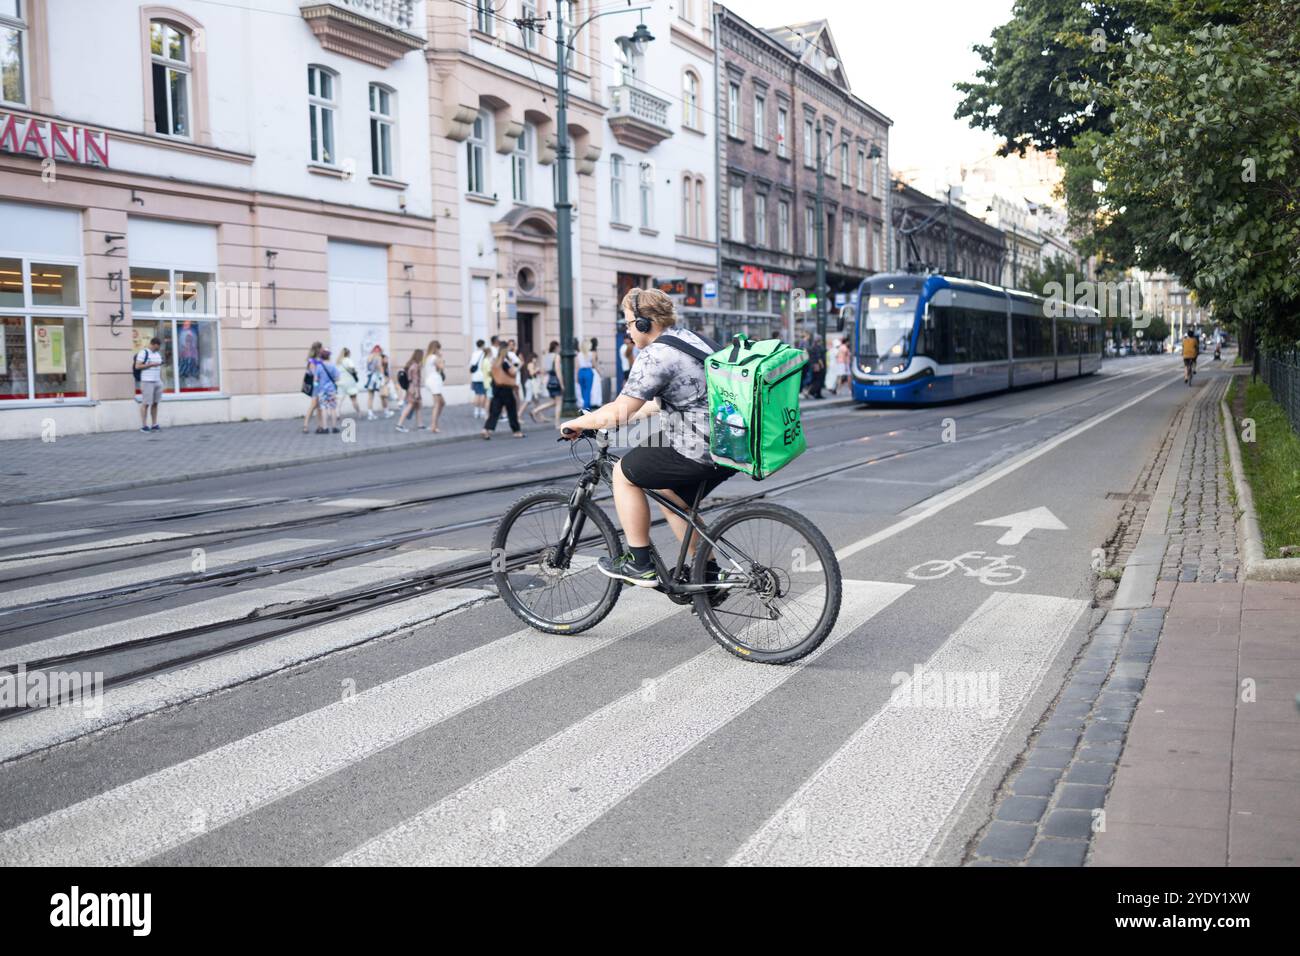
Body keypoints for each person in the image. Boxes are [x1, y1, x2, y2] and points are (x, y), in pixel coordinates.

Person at [560, 288, 735, 588]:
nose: (627, 331)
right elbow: (652, 403)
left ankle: (640, 564)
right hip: (730, 443)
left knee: (623, 474)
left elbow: (620, 411)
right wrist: (601, 417)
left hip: (699, 446)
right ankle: (708, 577)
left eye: (628, 323)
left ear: (644, 323)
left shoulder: (656, 354)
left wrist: (578, 422)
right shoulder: (691, 339)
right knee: (671, 497)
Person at [482, 347, 525, 439]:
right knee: (512, 410)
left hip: (496, 389)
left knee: (494, 411)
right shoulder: (505, 363)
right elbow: (512, 372)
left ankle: (486, 429)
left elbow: (491, 373)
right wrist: (519, 365)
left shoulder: (494, 362)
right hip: (506, 389)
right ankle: (516, 431)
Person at [134, 336, 165, 432]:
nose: (159, 348)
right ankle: (144, 426)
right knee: (146, 403)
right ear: (154, 344)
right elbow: (137, 366)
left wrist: (161, 380)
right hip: (147, 381)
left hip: (157, 381)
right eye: (158, 346)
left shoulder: (158, 354)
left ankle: (154, 424)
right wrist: (150, 364)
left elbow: (159, 368)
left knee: (155, 403)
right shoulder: (143, 353)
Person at [312, 347, 340, 433]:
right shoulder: (333, 366)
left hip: (322, 390)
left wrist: (316, 386)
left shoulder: (319, 367)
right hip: (331, 390)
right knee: (333, 408)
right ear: (329, 356)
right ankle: (334, 427)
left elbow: (315, 380)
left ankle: (325, 428)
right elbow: (337, 378)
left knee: (323, 408)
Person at [395, 349, 423, 432]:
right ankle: (399, 425)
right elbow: (415, 380)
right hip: (414, 389)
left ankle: (420, 425)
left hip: (410, 388)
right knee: (409, 406)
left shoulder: (411, 364)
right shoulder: (415, 366)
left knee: (418, 406)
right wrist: (417, 393)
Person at [537, 340, 563, 425]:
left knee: (553, 402)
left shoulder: (547, 357)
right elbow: (558, 371)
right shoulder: (557, 356)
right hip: (555, 380)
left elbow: (543, 370)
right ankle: (557, 423)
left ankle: (535, 410)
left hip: (549, 381)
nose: (559, 349)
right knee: (558, 403)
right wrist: (562, 384)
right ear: (556, 347)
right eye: (559, 347)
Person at [363, 345, 392, 419]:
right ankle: (386, 412)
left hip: (371, 378)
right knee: (383, 396)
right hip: (378, 378)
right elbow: (380, 367)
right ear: (379, 351)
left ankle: (370, 414)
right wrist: (383, 376)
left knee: (370, 397)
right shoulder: (378, 357)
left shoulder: (369, 357)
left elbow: (368, 368)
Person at [423, 340, 446, 432]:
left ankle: (434, 423)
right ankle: (433, 426)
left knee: (442, 403)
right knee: (437, 404)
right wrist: (441, 357)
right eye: (439, 348)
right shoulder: (434, 357)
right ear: (436, 348)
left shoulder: (428, 357)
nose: (440, 350)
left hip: (431, 380)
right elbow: (442, 367)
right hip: (434, 381)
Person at [302, 341, 323, 433]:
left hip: (319, 385)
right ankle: (305, 425)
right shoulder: (312, 361)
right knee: (314, 405)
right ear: (318, 349)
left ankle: (320, 426)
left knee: (319, 406)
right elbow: (315, 375)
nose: (322, 349)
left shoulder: (318, 360)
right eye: (321, 348)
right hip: (316, 386)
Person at [336, 347, 362, 419]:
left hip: (340, 382)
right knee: (354, 399)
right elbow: (352, 368)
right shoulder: (348, 360)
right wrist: (355, 372)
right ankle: (359, 412)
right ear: (348, 353)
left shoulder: (338, 362)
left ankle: (338, 414)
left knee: (340, 399)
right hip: (350, 382)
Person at [468, 338, 488, 419]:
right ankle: (482, 411)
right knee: (483, 394)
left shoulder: (474, 354)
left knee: (477, 394)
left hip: (475, 377)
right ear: (483, 345)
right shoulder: (484, 354)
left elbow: (470, 365)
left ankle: (476, 411)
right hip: (483, 376)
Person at [520, 352, 540, 421]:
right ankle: (518, 415)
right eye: (535, 358)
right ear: (532, 358)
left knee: (536, 401)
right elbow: (531, 373)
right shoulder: (530, 364)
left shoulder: (531, 364)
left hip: (530, 383)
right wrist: (537, 370)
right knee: (527, 400)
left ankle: (540, 416)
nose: (536, 360)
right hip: (530, 384)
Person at [806, 333, 827, 399]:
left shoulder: (812, 346)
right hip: (819, 366)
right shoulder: (817, 347)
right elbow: (819, 357)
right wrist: (822, 365)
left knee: (816, 379)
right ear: (819, 340)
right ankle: (811, 392)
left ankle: (818, 394)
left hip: (813, 365)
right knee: (818, 380)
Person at [576, 338, 595, 409]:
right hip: (588, 371)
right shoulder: (591, 354)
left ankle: (585, 405)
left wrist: (577, 376)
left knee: (583, 390)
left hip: (581, 372)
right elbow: (593, 365)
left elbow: (577, 366)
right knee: (588, 390)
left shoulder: (579, 354)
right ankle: (586, 406)